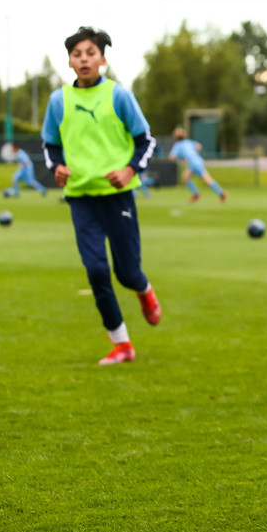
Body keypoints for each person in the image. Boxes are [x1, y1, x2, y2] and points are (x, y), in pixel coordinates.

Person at [42, 26, 161, 365]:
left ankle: (144, 290)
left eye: (90, 53)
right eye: (77, 54)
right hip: (80, 197)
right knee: (95, 271)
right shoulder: (58, 100)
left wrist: (129, 171)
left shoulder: (119, 96)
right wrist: (58, 168)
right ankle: (122, 344)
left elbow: (145, 141)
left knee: (127, 273)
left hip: (117, 196)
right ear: (69, 62)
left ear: (102, 59)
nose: (84, 59)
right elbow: (50, 145)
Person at [169, 128, 226, 203]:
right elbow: (199, 146)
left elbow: (171, 157)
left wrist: (183, 157)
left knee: (207, 179)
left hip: (194, 163)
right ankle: (196, 194)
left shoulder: (178, 145)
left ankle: (220, 193)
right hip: (197, 161)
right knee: (185, 177)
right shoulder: (188, 142)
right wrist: (192, 154)